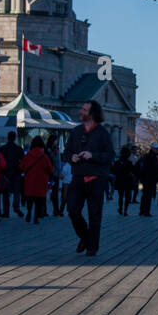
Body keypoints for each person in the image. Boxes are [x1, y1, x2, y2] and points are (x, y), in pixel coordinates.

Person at [63, 100, 115, 256]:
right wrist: (71, 157)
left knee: (94, 215)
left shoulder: (102, 133)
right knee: (72, 210)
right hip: (78, 177)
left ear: (92, 114)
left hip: (96, 179)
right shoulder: (76, 131)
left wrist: (92, 155)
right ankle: (85, 236)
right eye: (82, 108)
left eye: (84, 110)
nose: (81, 111)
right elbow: (66, 152)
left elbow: (110, 155)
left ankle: (92, 247)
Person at [20, 136, 54, 224]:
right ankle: (36, 218)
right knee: (39, 200)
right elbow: (50, 169)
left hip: (29, 180)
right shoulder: (44, 156)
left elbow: (21, 167)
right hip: (41, 181)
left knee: (30, 198)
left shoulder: (28, 155)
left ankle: (29, 212)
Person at [0, 130, 25, 218]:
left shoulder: (2, 149)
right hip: (16, 173)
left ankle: (6, 212)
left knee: (5, 193)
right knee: (17, 192)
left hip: (6, 173)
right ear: (15, 138)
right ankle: (16, 207)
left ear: (7, 138)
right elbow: (22, 162)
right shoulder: (19, 149)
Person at [137, 144, 158, 216]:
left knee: (145, 195)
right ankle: (146, 211)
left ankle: (142, 211)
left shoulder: (147, 156)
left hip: (146, 178)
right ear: (152, 149)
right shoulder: (151, 157)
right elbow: (154, 168)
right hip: (149, 178)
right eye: (156, 149)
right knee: (148, 195)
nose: (157, 150)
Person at [113, 146, 136, 216]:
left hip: (120, 180)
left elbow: (113, 171)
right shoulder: (129, 162)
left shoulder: (117, 162)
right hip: (128, 180)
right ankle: (125, 210)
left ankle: (120, 208)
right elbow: (133, 171)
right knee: (127, 196)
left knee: (121, 196)